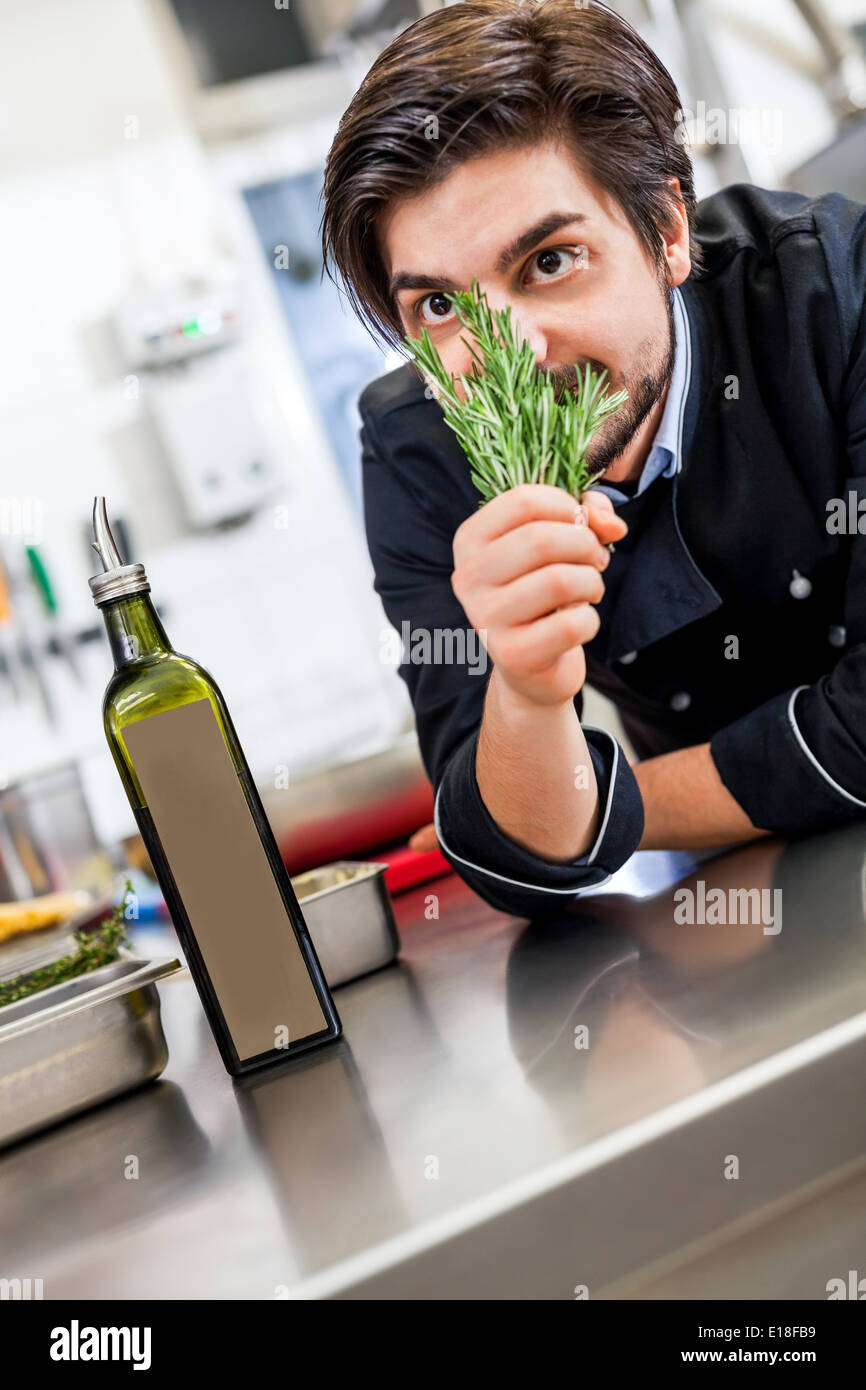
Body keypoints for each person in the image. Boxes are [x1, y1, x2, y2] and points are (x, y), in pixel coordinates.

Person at [320, 0, 866, 918]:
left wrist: (592, 810)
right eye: (442, 309)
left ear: (667, 231)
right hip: (732, 906)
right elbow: (508, 861)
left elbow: (516, 827)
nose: (512, 355)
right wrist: (528, 699)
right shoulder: (418, 449)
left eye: (549, 261)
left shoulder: (836, 292)